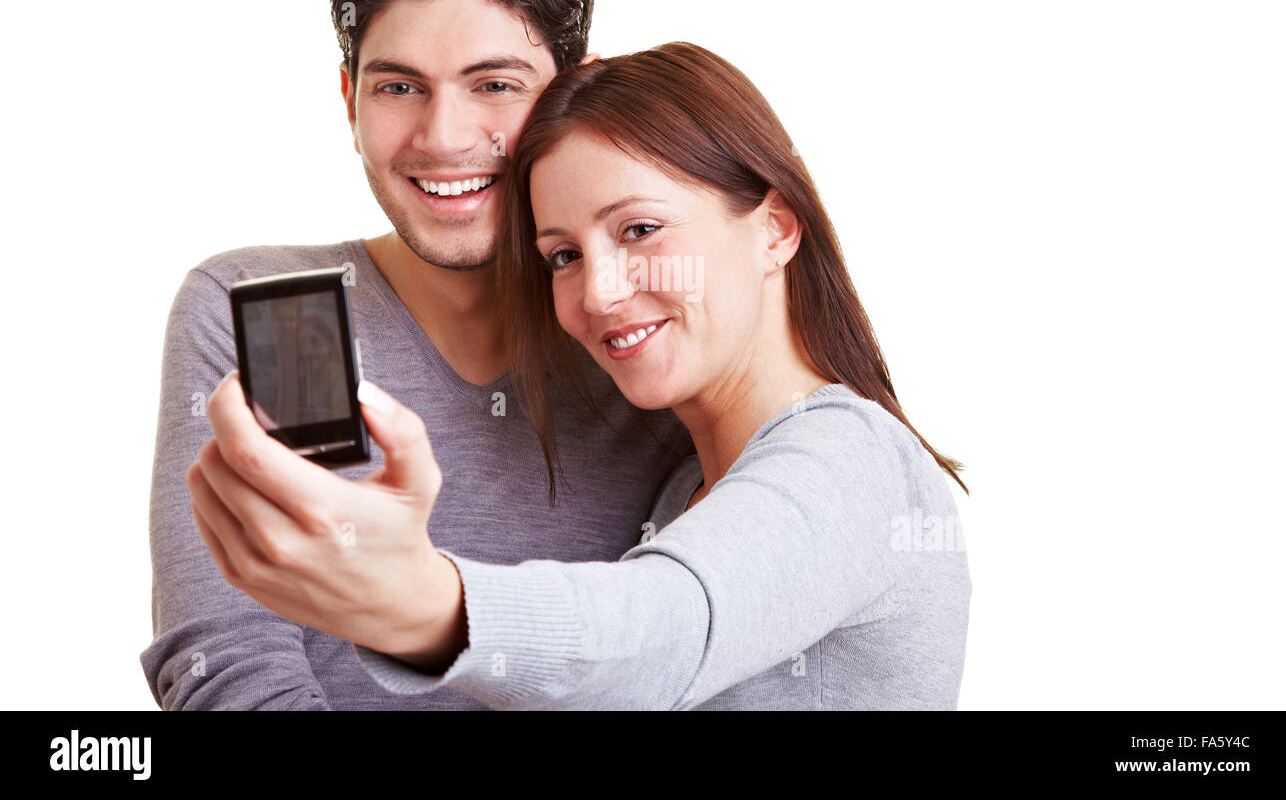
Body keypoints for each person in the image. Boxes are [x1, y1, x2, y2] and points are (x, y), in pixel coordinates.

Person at [194, 42, 973, 709]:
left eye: (640, 229)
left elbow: (666, 627)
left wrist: (423, 603)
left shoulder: (851, 458)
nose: (598, 292)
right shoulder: (679, 493)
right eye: (563, 256)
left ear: (774, 228)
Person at [140, 0, 694, 709]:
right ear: (348, 99)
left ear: (574, 93)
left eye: (495, 85)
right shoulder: (287, 317)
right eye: (399, 87)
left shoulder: (644, 335)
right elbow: (228, 660)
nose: (444, 138)